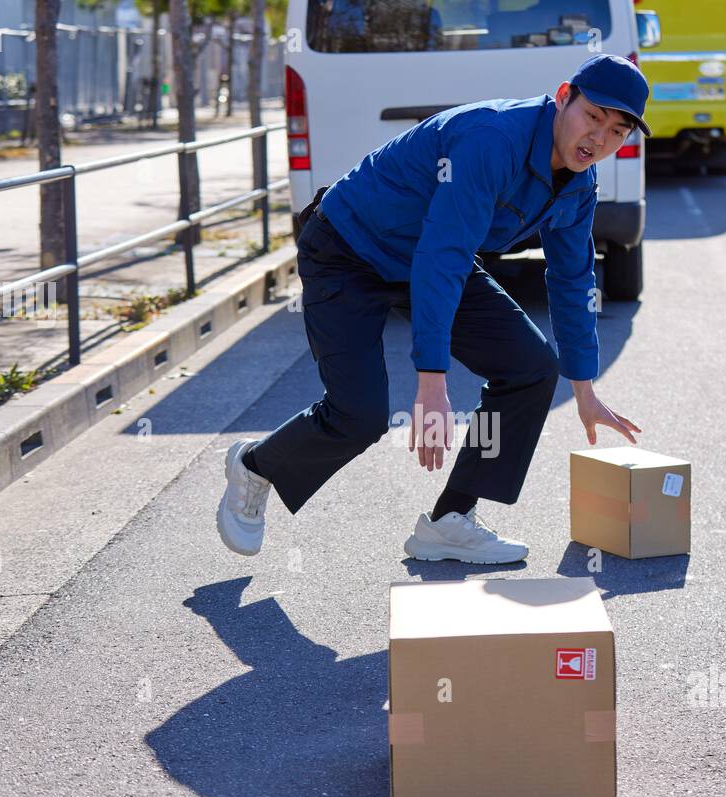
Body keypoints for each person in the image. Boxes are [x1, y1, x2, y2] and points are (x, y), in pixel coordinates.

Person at [216, 54, 647, 564]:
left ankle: (450, 520)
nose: (598, 138)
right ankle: (257, 466)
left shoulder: (580, 183)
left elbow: (572, 278)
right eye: (593, 116)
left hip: (433, 256)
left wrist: (584, 387)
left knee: (531, 369)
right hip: (349, 250)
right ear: (562, 97)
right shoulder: (492, 140)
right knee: (360, 416)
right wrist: (431, 383)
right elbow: (442, 257)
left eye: (617, 131)